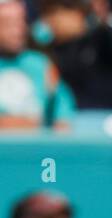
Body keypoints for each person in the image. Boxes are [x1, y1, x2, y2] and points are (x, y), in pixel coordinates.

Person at [36, 0, 112, 110]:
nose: (51, 21)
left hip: (106, 117)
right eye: (47, 14)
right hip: (68, 120)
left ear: (78, 13)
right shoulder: (48, 51)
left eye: (56, 12)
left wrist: (99, 17)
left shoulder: (100, 39)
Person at [0, 0, 74, 129]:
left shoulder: (41, 64)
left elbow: (63, 109)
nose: (17, 31)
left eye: (21, 22)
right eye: (8, 24)